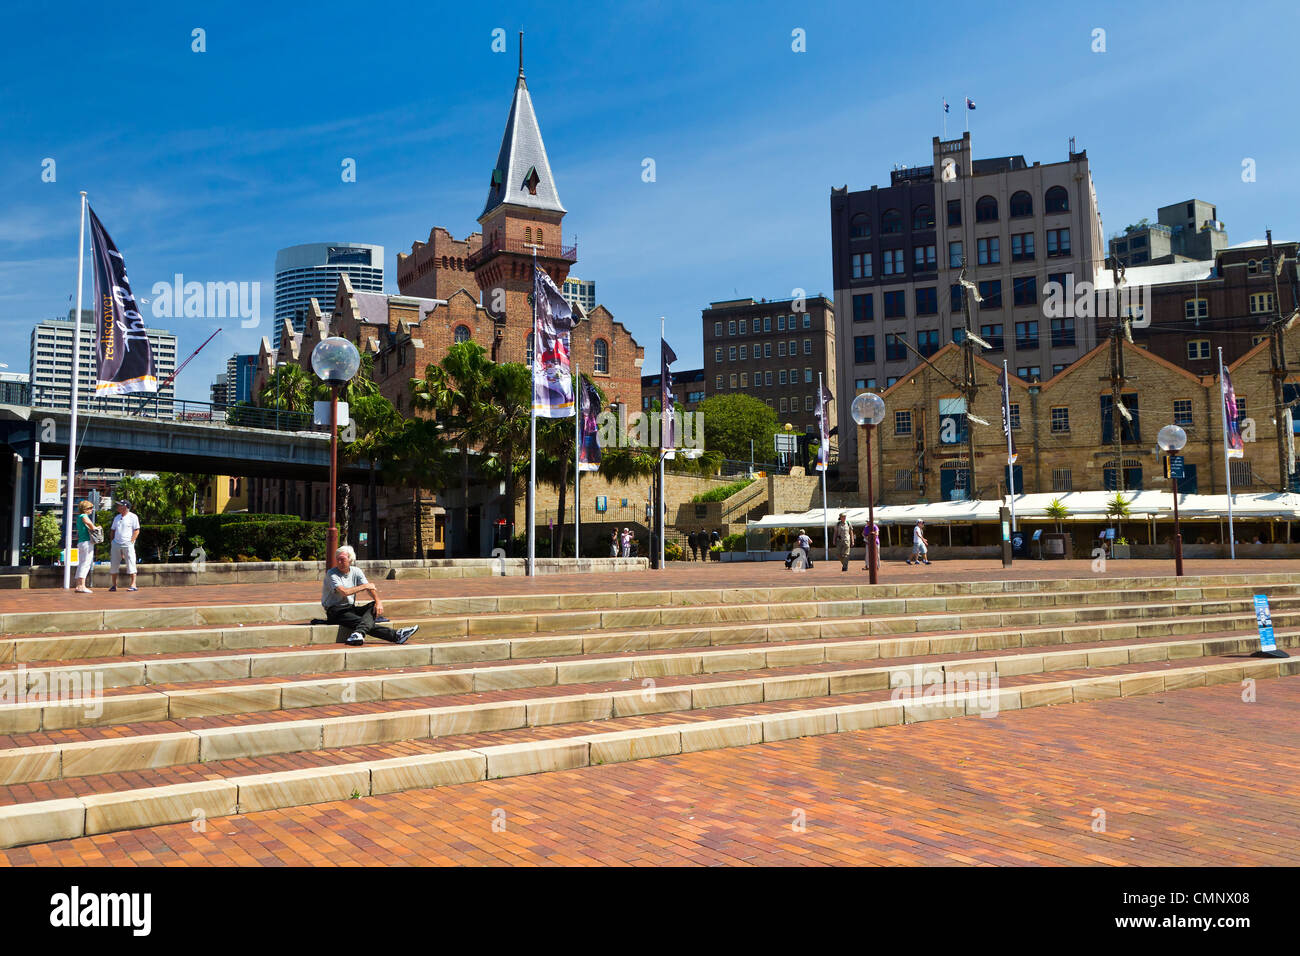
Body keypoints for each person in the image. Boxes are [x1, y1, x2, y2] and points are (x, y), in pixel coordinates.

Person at [322, 545, 419, 647]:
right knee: (363, 622)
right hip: (335, 611)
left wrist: (378, 601)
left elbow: (370, 588)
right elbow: (344, 592)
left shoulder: (356, 571)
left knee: (373, 607)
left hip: (350, 608)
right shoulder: (331, 573)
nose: (339, 562)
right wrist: (364, 586)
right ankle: (396, 635)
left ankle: (359, 633)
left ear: (350, 560)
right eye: (337, 560)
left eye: (342, 559)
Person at [108, 499, 141, 592]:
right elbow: (113, 530)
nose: (118, 507)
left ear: (125, 507)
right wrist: (112, 541)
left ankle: (133, 584)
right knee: (114, 564)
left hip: (127, 543)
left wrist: (132, 541)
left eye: (120, 505)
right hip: (116, 543)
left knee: (131, 562)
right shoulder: (117, 517)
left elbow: (137, 530)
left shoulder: (133, 517)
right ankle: (114, 585)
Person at [74, 499, 98, 594]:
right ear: (85, 509)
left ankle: (78, 585)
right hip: (87, 542)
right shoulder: (84, 516)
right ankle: (82, 585)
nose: (91, 509)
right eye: (90, 508)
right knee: (86, 563)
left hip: (81, 542)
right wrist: (96, 528)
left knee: (81, 563)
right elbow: (90, 525)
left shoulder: (79, 517)